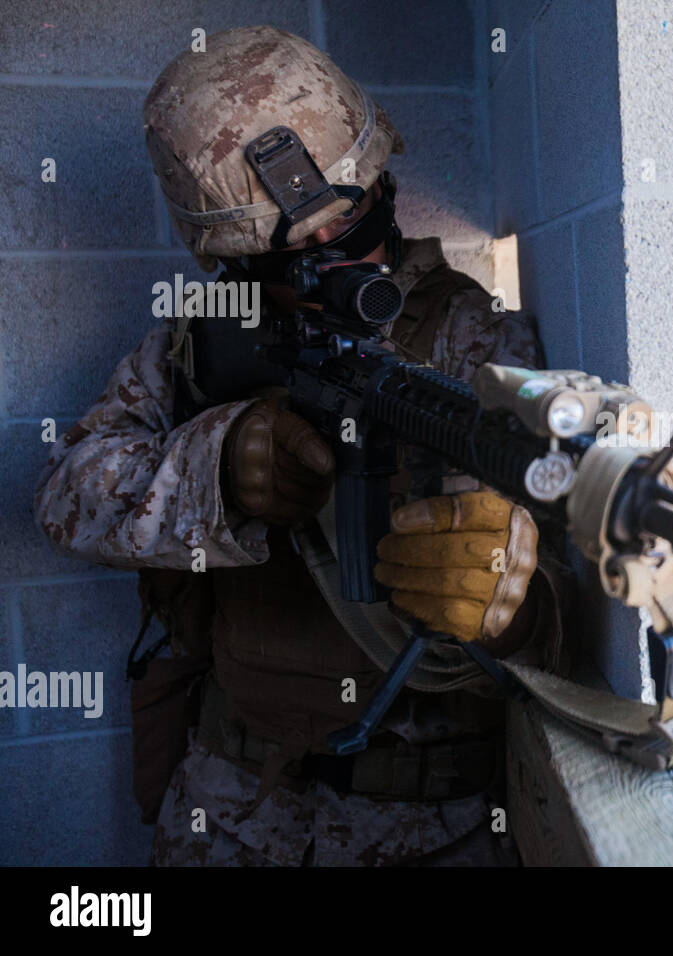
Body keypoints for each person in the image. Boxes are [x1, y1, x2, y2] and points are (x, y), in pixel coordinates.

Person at [34, 25, 568, 866]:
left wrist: (512, 605)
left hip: (430, 820)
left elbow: (571, 598)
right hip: (233, 803)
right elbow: (67, 492)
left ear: (383, 186)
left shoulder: (476, 339)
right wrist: (218, 465)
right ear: (233, 266)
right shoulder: (203, 341)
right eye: (291, 257)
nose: (336, 263)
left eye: (349, 225)